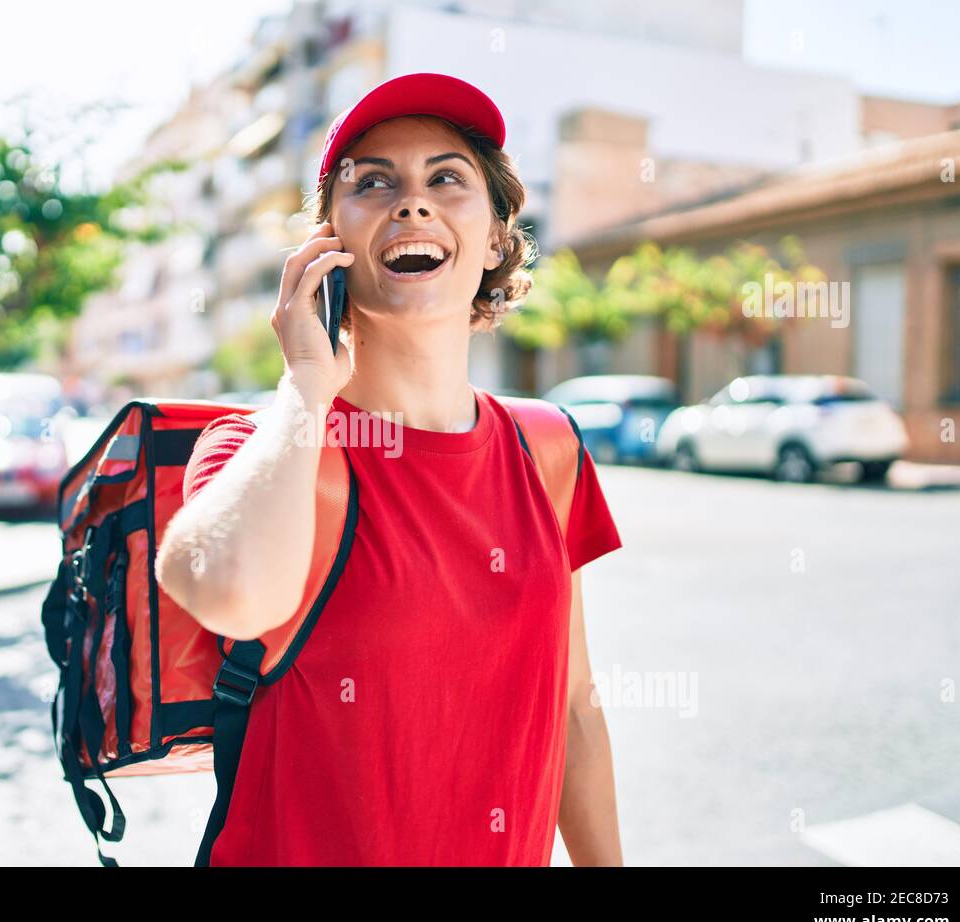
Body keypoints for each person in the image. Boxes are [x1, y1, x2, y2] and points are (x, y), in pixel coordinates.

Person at [155, 73, 624, 866]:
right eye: (372, 183)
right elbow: (230, 593)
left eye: (447, 178)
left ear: (498, 238)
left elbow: (572, 705)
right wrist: (306, 381)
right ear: (326, 245)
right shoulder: (268, 445)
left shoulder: (547, 450)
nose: (413, 203)